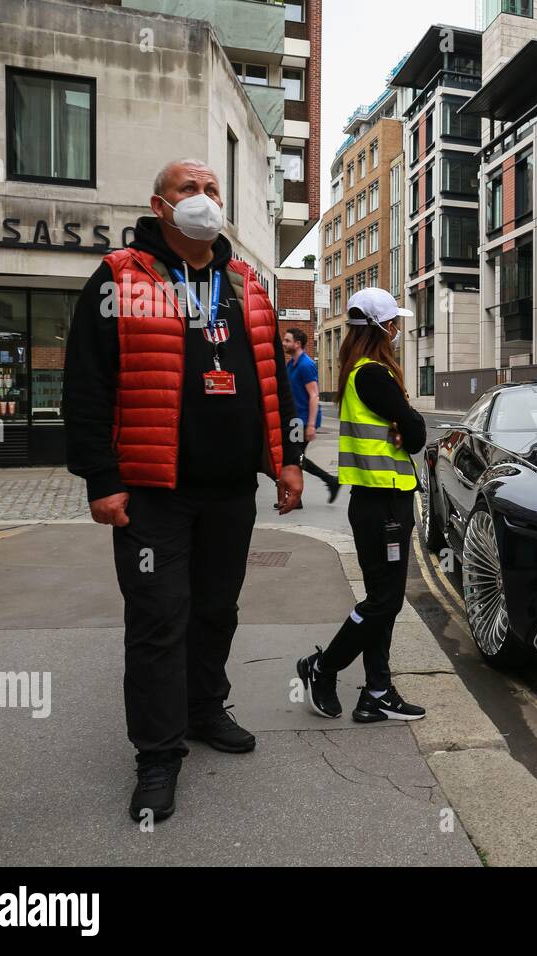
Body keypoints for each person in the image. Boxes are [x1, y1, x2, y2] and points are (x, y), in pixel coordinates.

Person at [63, 158, 305, 823]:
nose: (202, 198)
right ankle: (158, 754)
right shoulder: (121, 277)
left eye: (211, 189)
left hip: (229, 492)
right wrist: (101, 478)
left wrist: (287, 462)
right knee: (157, 620)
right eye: (188, 190)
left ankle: (204, 711)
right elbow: (86, 385)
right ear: (159, 205)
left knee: (215, 611)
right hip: (151, 493)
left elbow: (271, 383)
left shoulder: (246, 282)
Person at [295, 289, 428, 724]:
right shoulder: (374, 375)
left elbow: (405, 430)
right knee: (385, 603)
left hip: (373, 501)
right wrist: (408, 422)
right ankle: (324, 667)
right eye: (393, 323)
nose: (397, 330)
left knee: (380, 599)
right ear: (381, 328)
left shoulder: (356, 372)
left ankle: (376, 692)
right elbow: (416, 434)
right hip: (386, 502)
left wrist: (404, 424)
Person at [282, 328, 341, 506]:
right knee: (296, 457)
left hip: (302, 420)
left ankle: (329, 481)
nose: (283, 343)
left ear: (297, 344)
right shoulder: (291, 364)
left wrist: (310, 425)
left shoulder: (306, 365)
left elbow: (314, 395)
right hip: (294, 420)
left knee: (294, 457)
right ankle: (325, 484)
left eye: (287, 340)